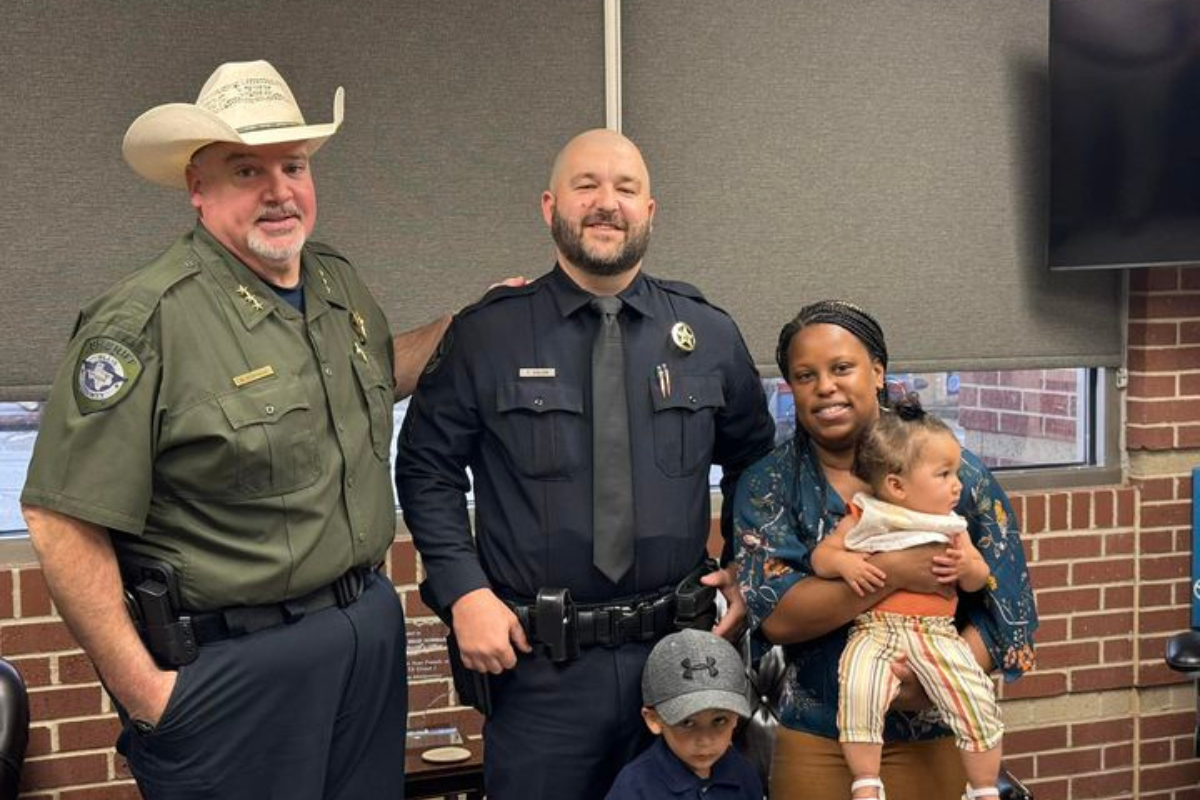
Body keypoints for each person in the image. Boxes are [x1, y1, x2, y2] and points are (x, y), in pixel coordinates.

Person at [18, 60, 448, 799]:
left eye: (294, 165)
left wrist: (469, 328)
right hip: (235, 667)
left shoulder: (335, 281)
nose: (279, 191)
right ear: (197, 187)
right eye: (246, 170)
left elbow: (377, 370)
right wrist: (151, 696)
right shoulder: (145, 323)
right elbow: (60, 520)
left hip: (363, 636)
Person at [395, 128, 776, 800]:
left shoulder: (706, 333)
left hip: (682, 659)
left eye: (625, 189)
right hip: (542, 672)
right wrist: (465, 594)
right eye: (586, 186)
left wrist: (751, 568)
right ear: (550, 207)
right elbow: (426, 468)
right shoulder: (489, 334)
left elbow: (756, 460)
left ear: (650, 211)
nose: (607, 203)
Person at [734, 300, 1037, 800]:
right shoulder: (768, 484)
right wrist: (896, 571)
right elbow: (778, 615)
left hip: (934, 730)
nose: (824, 387)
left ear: (877, 372)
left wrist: (932, 681)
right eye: (804, 375)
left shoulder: (954, 472)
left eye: (841, 368)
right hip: (818, 733)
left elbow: (1009, 607)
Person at [811, 397, 1003, 800]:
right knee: (858, 687)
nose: (957, 485)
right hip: (876, 630)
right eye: (944, 473)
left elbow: (979, 576)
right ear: (896, 485)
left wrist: (966, 569)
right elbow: (822, 556)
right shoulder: (867, 515)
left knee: (975, 695)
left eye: (956, 473)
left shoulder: (951, 524)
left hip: (937, 634)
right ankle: (866, 781)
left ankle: (984, 787)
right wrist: (846, 565)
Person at [605, 628, 764, 800]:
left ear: (736, 717)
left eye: (719, 720)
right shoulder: (633, 787)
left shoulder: (743, 772)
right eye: (687, 722)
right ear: (654, 719)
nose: (705, 740)